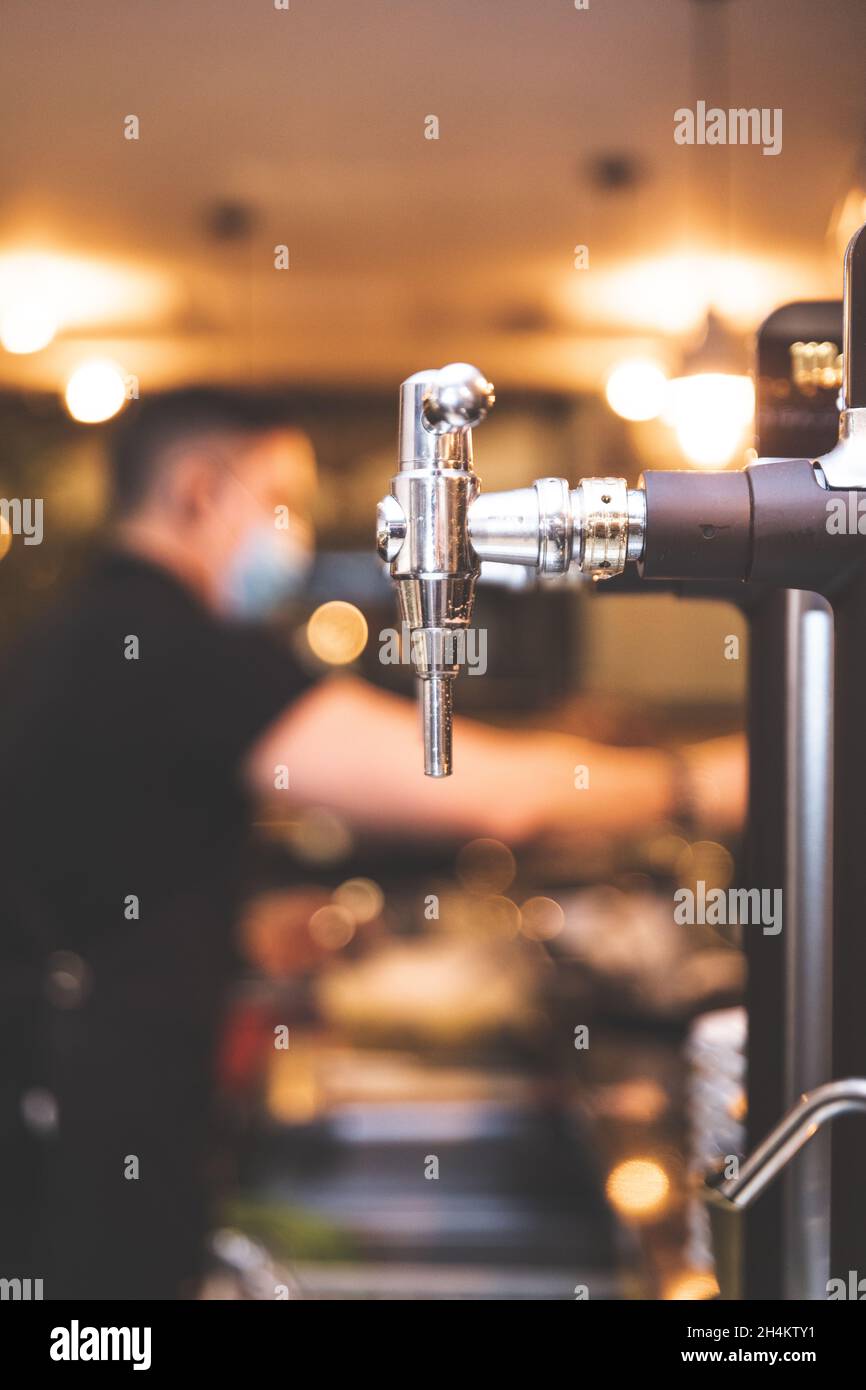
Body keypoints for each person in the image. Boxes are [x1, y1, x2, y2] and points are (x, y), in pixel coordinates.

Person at [0, 389, 745, 1299]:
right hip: (90, 1124)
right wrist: (702, 784)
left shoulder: (94, 631)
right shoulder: (164, 642)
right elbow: (486, 796)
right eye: (285, 503)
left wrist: (240, 931)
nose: (298, 534)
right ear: (199, 491)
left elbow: (97, 874)